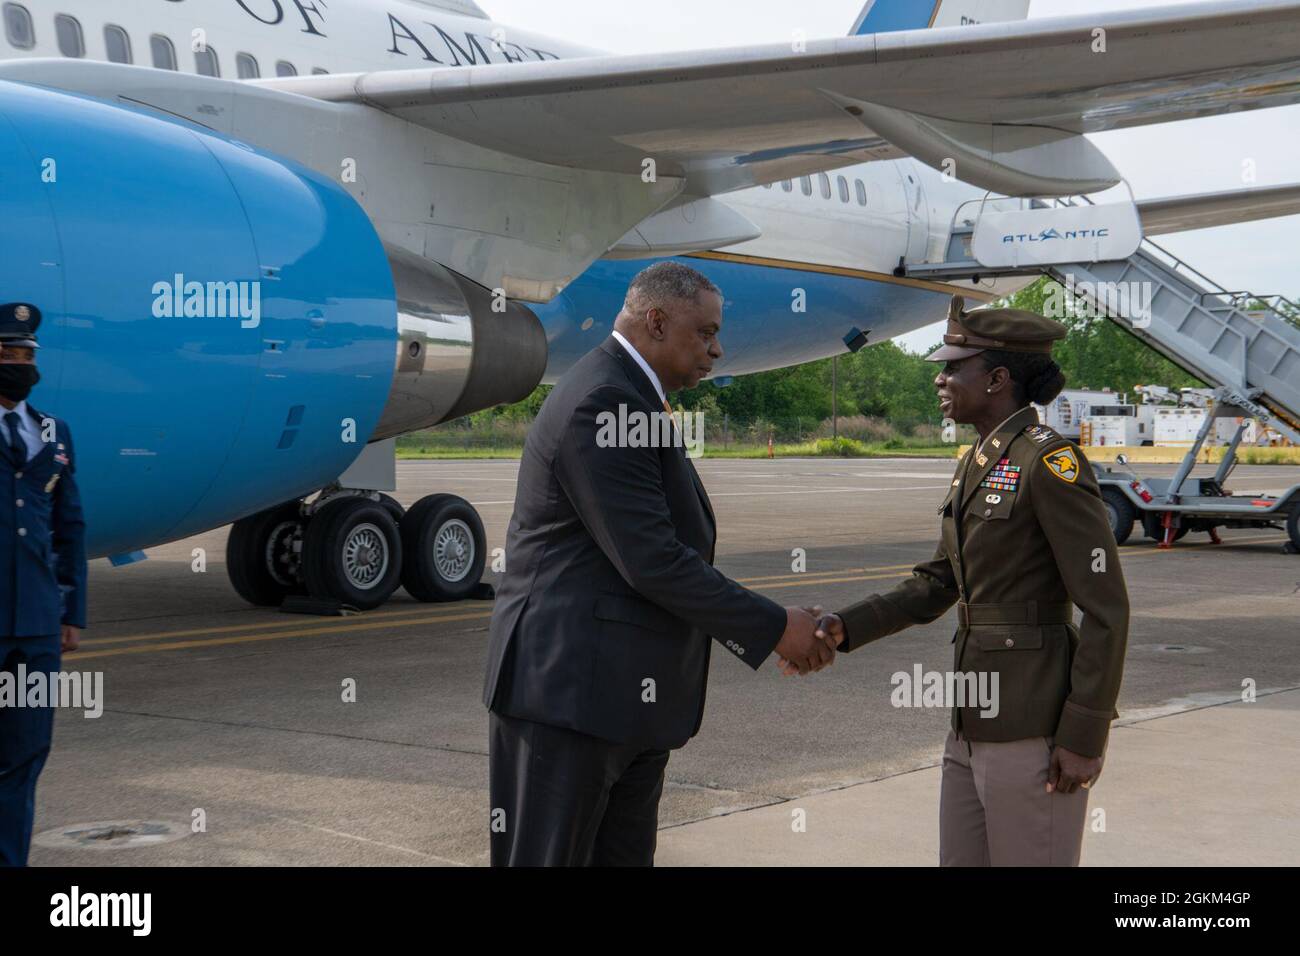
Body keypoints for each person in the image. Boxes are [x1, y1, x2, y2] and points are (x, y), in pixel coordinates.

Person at [482, 262, 838, 866]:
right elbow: (651, 561)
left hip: (619, 707)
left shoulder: (633, 395)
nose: (717, 350)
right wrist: (777, 628)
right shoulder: (604, 400)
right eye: (705, 333)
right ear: (655, 320)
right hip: (569, 703)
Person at [810, 295, 1128, 866]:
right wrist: (843, 626)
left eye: (954, 366)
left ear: (998, 378)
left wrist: (1084, 734)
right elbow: (936, 583)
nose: (940, 377)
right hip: (970, 719)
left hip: (1033, 725)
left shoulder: (1049, 463)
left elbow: (1107, 608)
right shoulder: (977, 461)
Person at [0, 302, 87, 867]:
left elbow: (68, 526)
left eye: (27, 355)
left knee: (27, 753)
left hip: (34, 629)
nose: (20, 363)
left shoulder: (53, 432)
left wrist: (70, 612)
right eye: (8, 354)